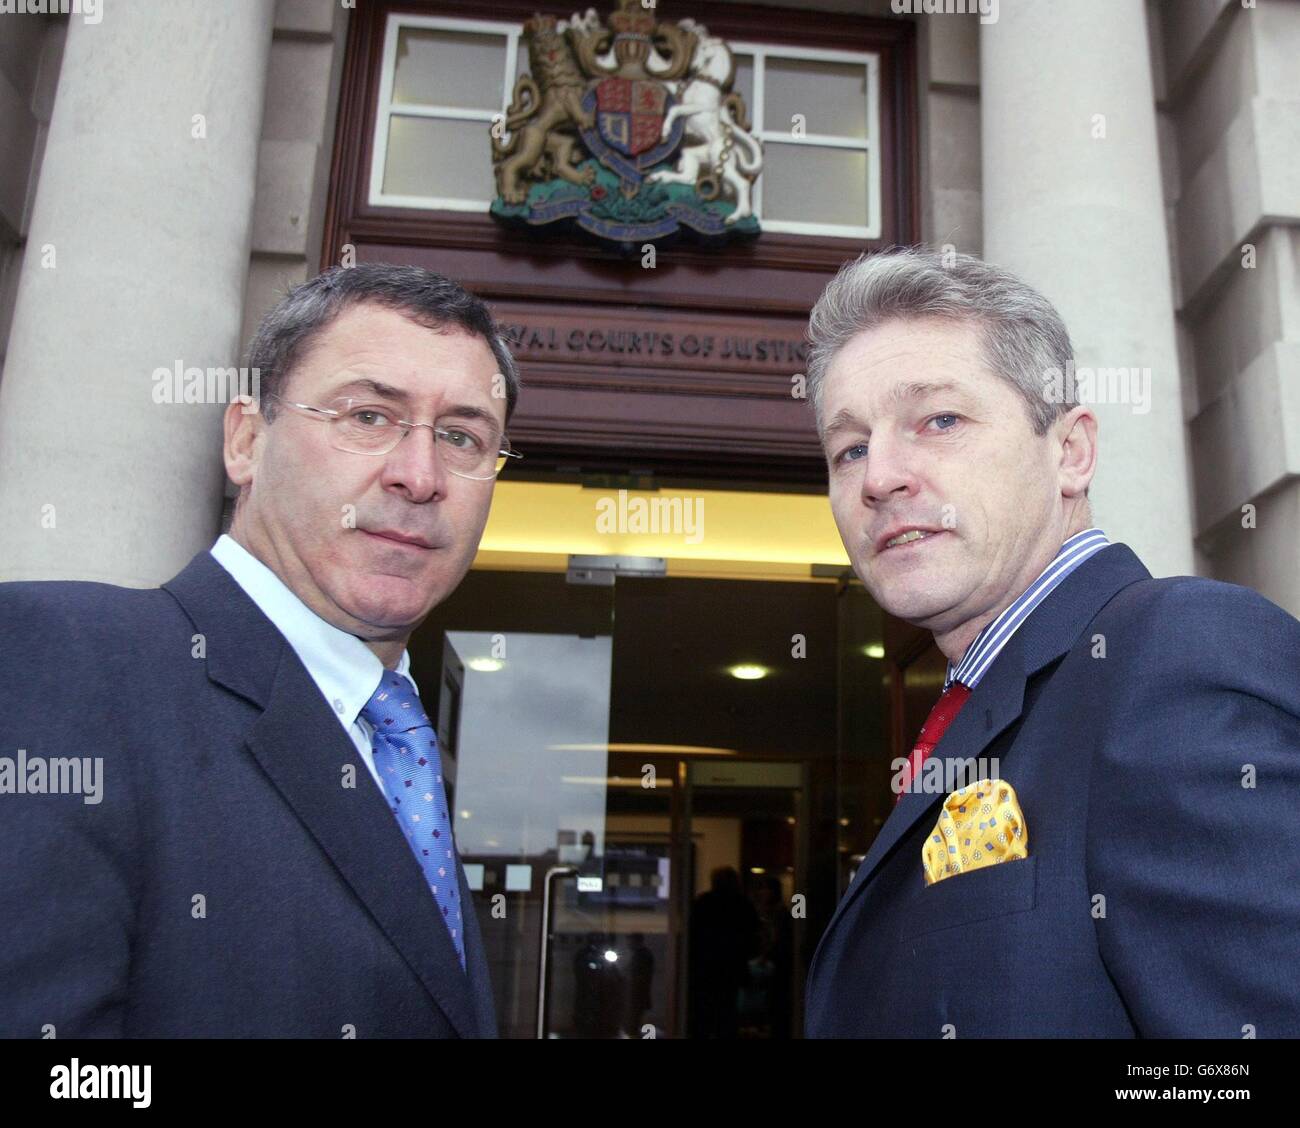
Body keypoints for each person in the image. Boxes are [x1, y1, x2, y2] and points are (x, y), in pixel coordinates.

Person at [0, 263, 520, 1037]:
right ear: (246, 439)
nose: (421, 476)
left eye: (461, 436)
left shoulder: (403, 746)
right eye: (369, 416)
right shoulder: (67, 662)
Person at [802, 247, 1300, 1037]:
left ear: (1070, 452)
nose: (879, 477)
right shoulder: (972, 705)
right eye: (850, 447)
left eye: (938, 420)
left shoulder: (1178, 655)